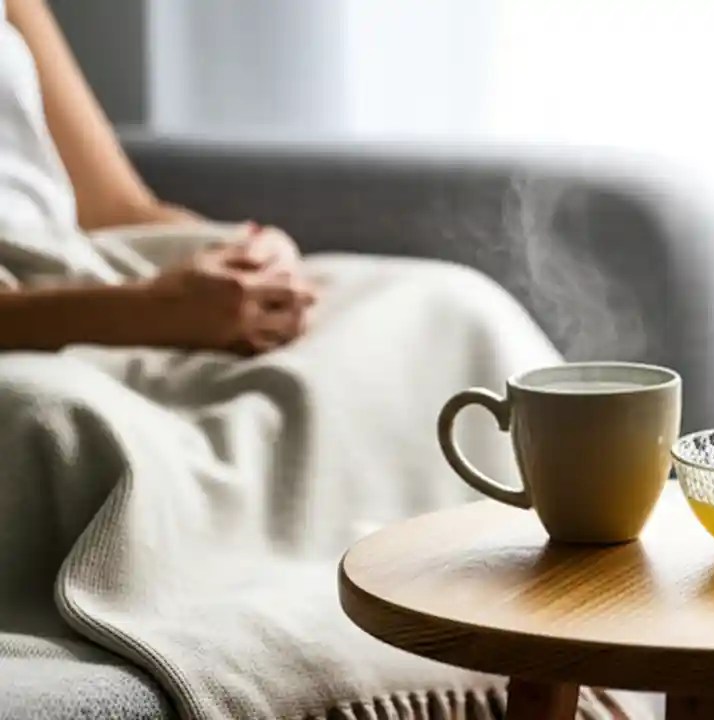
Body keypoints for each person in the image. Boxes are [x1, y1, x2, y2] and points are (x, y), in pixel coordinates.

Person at [0, 2, 639, 718]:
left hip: (99, 275)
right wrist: (145, 314)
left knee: (445, 308)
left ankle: (554, 622)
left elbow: (122, 208)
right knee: (63, 417)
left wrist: (237, 255)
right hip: (28, 335)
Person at [1, 0, 313, 354]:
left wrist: (251, 252)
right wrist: (139, 314)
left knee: (376, 309)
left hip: (83, 268)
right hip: (37, 331)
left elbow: (118, 211)